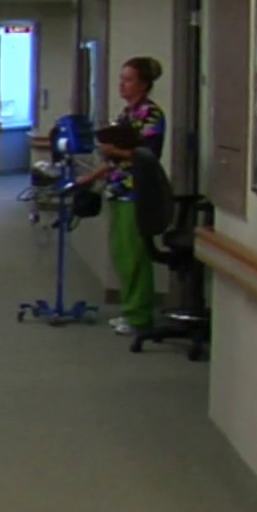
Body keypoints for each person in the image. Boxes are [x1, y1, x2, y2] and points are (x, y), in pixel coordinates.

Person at [80, 56, 168, 336]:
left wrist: (114, 152)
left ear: (144, 84)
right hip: (118, 189)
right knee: (120, 252)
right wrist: (91, 177)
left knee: (134, 255)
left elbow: (146, 155)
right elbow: (114, 160)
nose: (123, 84)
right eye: (121, 78)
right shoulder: (126, 115)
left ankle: (140, 315)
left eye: (129, 79)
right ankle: (130, 310)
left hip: (137, 192)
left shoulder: (151, 115)